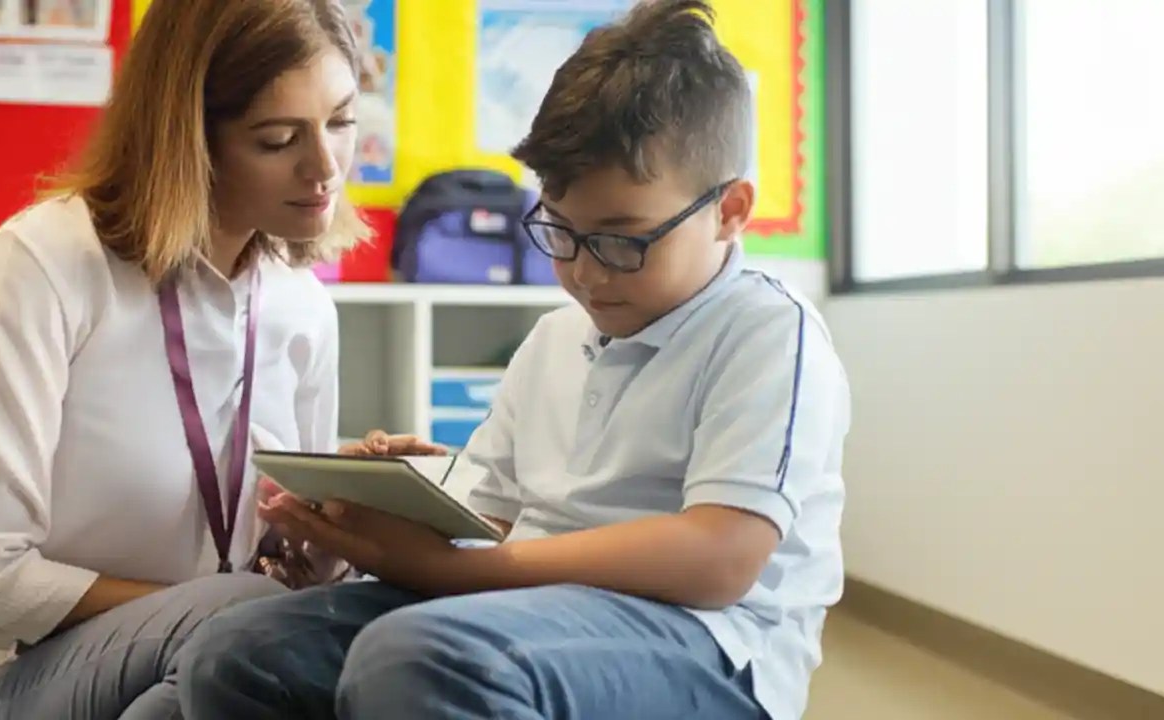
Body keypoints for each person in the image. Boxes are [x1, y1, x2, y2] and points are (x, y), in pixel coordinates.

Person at [176, 1, 850, 719]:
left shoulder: (768, 331)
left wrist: (461, 570)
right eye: (559, 233)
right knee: (238, 650)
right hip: (522, 607)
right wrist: (393, 509)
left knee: (417, 658)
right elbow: (490, 516)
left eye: (621, 241)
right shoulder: (558, 336)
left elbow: (720, 557)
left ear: (731, 209)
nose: (586, 274)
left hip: (706, 643)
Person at [0, 2, 441, 718]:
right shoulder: (46, 266)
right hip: (10, 682)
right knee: (247, 637)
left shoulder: (300, 306)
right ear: (190, 141)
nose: (327, 168)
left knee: (355, 633)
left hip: (199, 670)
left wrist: (339, 520)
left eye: (340, 120)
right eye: (278, 139)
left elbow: (287, 577)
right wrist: (230, 612)